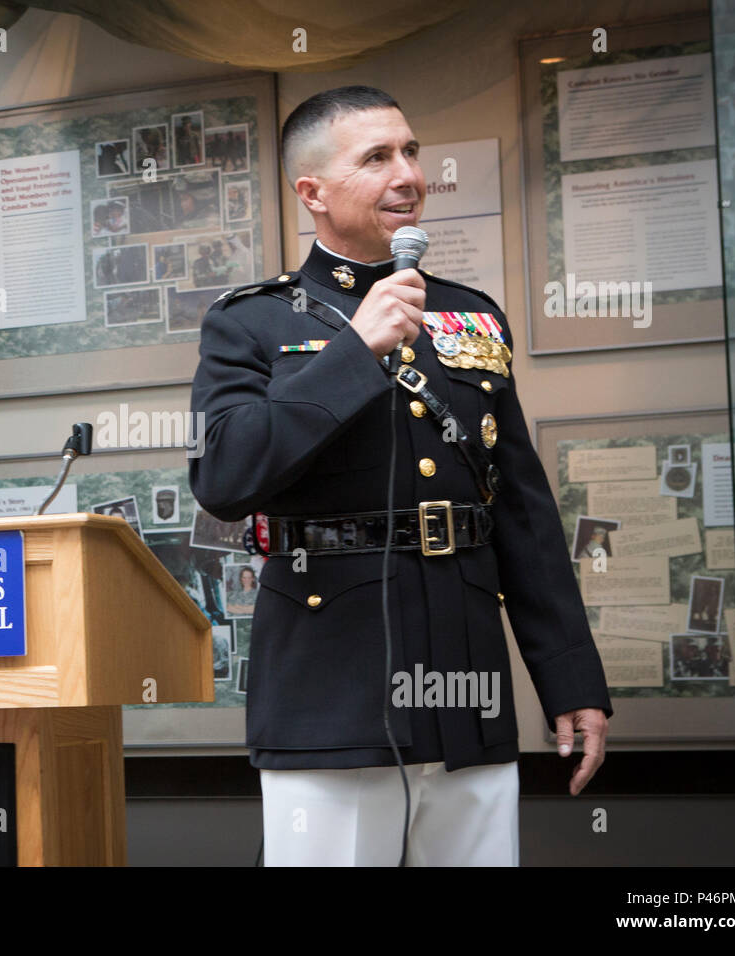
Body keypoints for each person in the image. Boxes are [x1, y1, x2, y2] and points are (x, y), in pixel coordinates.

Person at [188, 85, 612, 867]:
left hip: (467, 688)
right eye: (377, 157)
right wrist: (355, 351)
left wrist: (570, 678)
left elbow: (521, 512)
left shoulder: (470, 315)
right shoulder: (250, 320)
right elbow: (225, 473)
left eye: (411, 151)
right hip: (331, 698)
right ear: (311, 191)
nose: (409, 174)